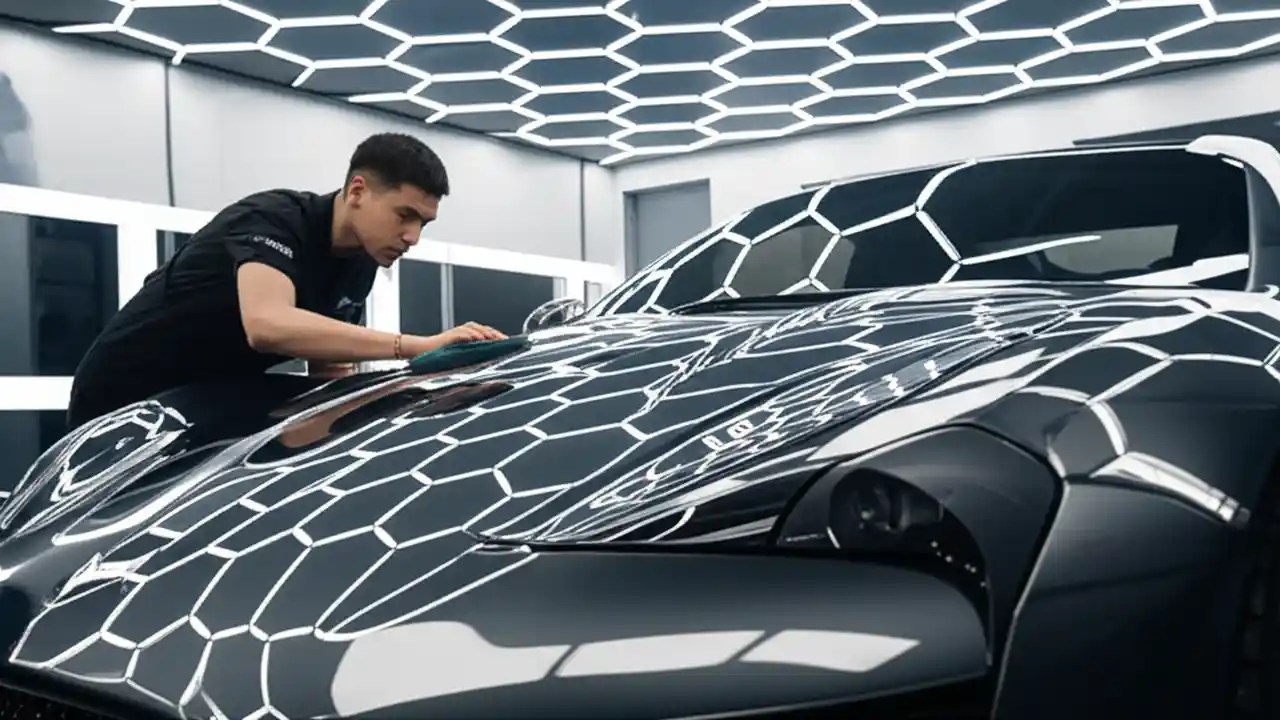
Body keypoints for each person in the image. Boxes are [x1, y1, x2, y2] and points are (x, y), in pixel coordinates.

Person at [66, 132, 506, 430]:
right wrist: (418, 346)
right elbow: (268, 326)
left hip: (205, 399)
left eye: (423, 223)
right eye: (404, 215)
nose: (412, 237)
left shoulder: (360, 262)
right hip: (122, 401)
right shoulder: (274, 219)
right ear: (357, 191)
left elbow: (330, 371)